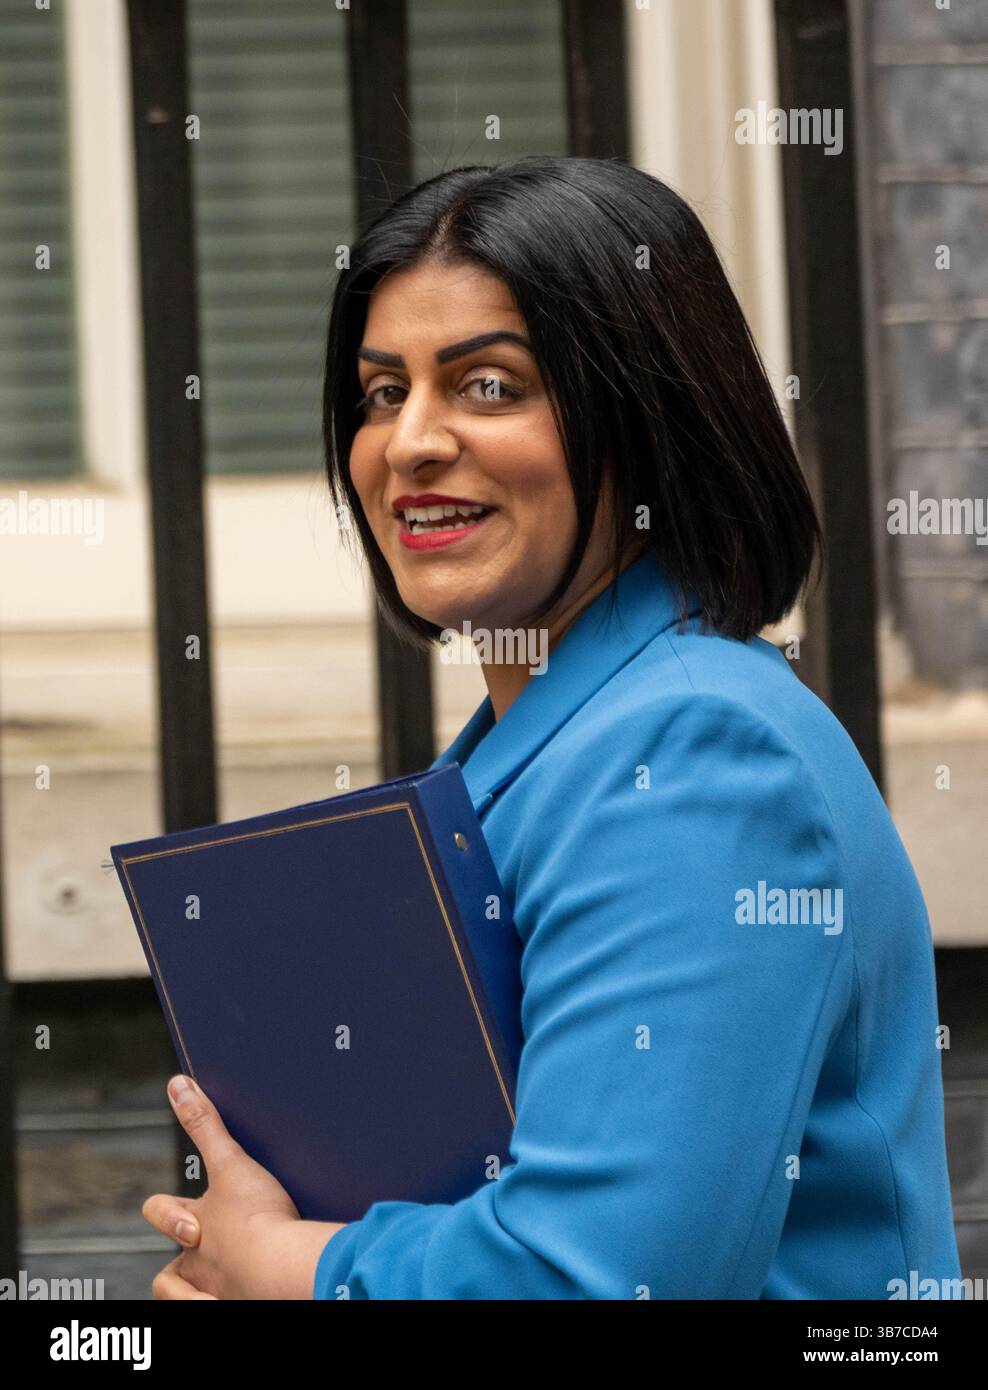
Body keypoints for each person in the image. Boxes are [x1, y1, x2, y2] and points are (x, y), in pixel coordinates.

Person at [143, 156, 962, 1300]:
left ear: (643, 419)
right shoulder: (529, 753)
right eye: (383, 393)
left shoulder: (693, 757)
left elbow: (600, 1279)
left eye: (487, 385)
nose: (411, 442)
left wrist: (286, 1269)